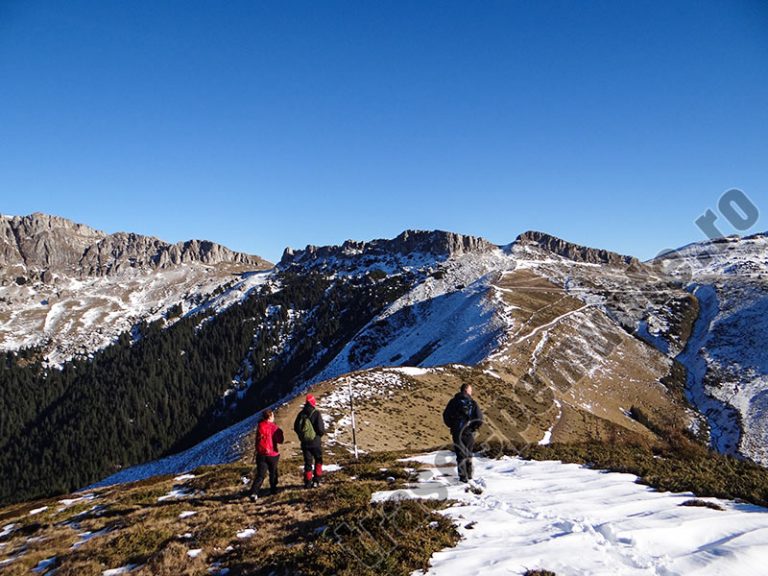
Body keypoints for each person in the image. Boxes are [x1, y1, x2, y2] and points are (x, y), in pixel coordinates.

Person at [442, 383, 483, 482]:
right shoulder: (472, 403)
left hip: (457, 432)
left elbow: (445, 416)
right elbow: (480, 419)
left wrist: (452, 426)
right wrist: (473, 428)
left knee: (460, 455)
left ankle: (463, 478)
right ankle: (469, 476)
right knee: (468, 453)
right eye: (470, 390)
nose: (471, 392)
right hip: (469, 432)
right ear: (466, 391)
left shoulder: (453, 402)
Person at [248, 409, 284, 501]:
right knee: (273, 473)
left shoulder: (260, 426)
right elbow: (280, 440)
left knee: (260, 475)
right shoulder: (274, 427)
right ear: (270, 417)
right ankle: (273, 490)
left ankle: (254, 493)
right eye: (272, 416)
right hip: (272, 454)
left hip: (261, 454)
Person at [294, 394, 325, 488]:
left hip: (305, 443)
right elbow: (320, 429)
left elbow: (296, 427)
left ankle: (307, 482)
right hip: (315, 442)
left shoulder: (301, 414)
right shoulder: (316, 413)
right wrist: (318, 436)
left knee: (308, 463)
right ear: (313, 402)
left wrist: (302, 436)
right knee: (318, 460)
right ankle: (316, 481)